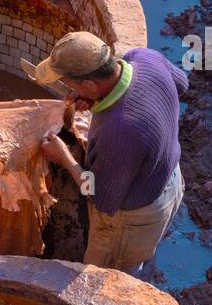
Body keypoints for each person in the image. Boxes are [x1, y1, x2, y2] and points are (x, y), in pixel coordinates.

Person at [27, 31, 188, 280]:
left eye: (70, 85)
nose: (68, 91)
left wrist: (64, 157)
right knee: (144, 251)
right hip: (170, 178)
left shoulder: (119, 131)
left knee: (107, 277)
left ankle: (129, 298)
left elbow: (99, 195)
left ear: (90, 84)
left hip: (134, 214)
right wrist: (100, 100)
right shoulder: (144, 58)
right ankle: (144, 266)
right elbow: (181, 83)